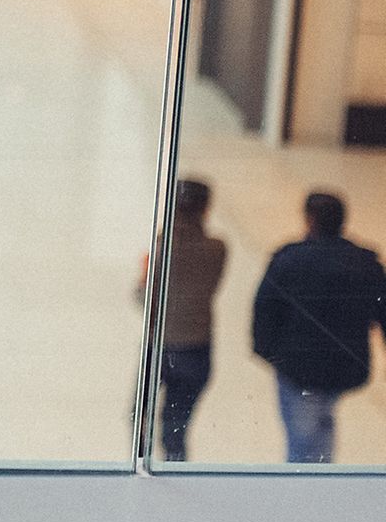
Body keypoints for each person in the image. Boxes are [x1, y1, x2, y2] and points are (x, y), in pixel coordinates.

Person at [251, 190, 386, 464]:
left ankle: (306, 492)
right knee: (320, 423)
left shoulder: (289, 260)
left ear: (309, 219)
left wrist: (271, 355)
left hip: (299, 369)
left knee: (302, 443)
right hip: (345, 367)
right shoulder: (365, 263)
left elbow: (264, 310)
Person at [148, 178, 227, 462]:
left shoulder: (161, 245)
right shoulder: (218, 248)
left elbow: (143, 297)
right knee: (176, 426)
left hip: (161, 344)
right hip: (197, 347)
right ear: (205, 209)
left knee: (141, 417)